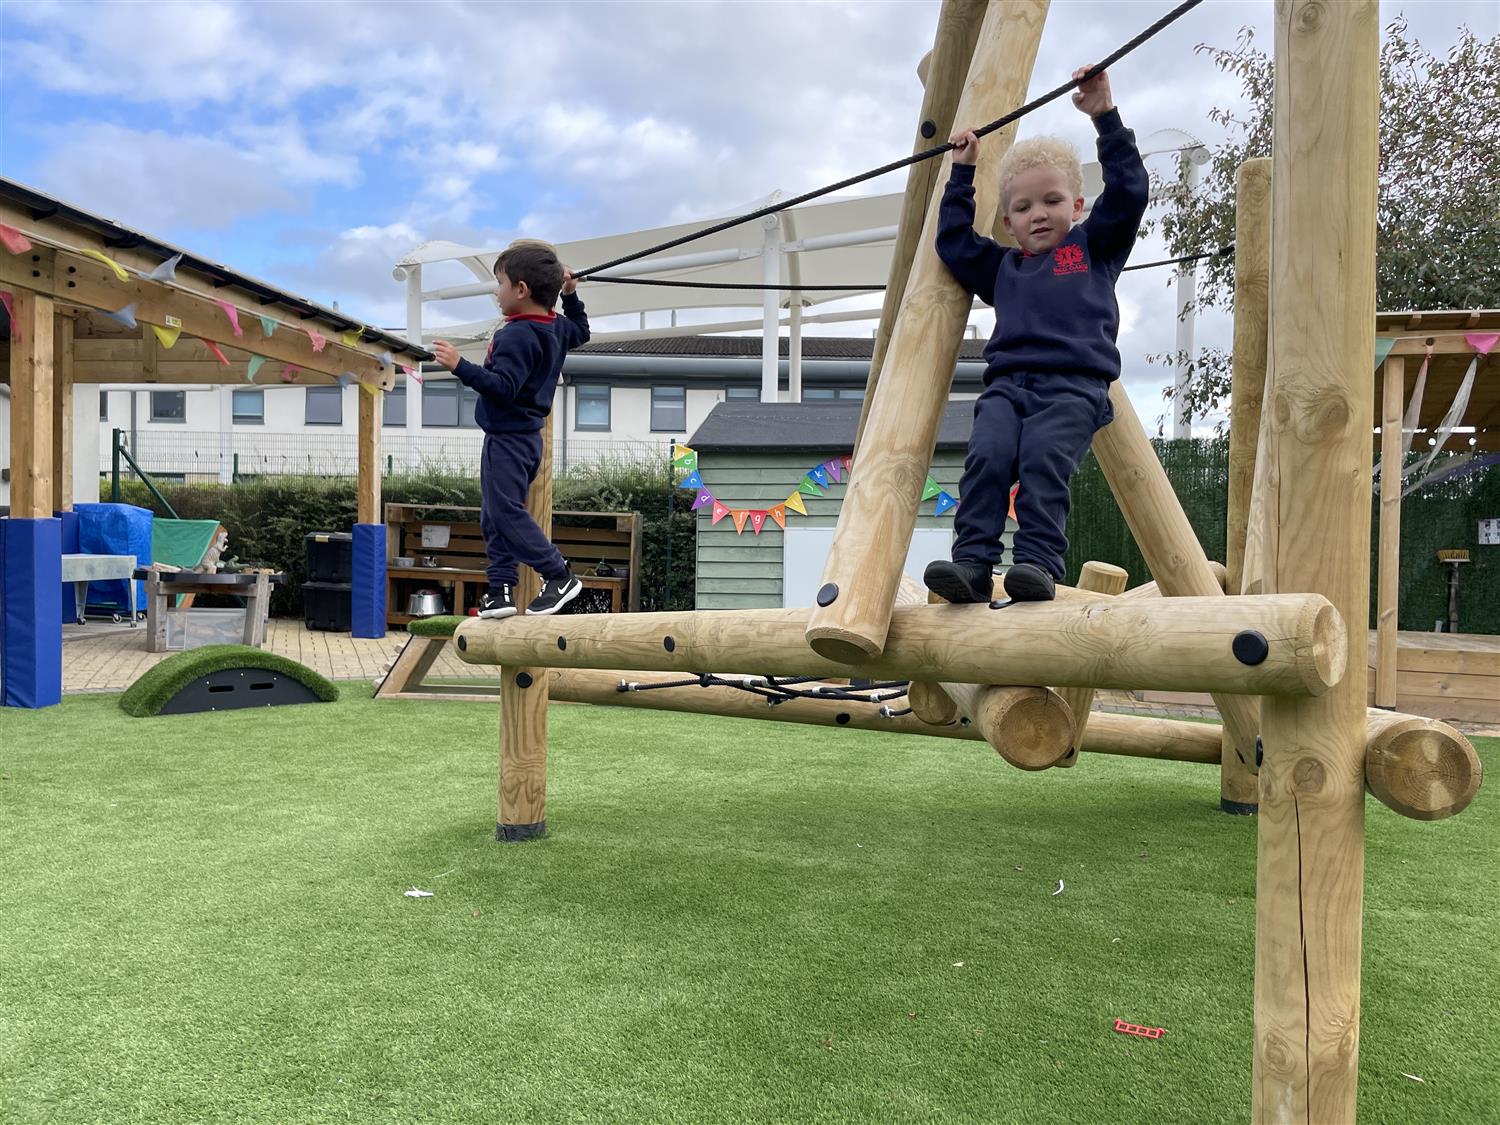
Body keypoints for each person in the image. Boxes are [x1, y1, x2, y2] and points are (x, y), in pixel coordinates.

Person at [923, 64, 1148, 605]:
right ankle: (973, 565)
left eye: (1051, 201)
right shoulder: (1005, 268)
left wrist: (1105, 117)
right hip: (1007, 387)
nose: (1038, 214)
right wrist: (962, 173)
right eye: (1022, 207)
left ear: (1077, 206)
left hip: (1073, 387)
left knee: (1045, 460)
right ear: (1007, 222)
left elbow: (1129, 192)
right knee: (987, 456)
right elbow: (953, 243)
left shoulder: (1090, 250)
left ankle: (1037, 565)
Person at [431, 242, 590, 618]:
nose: (495, 291)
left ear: (521, 289)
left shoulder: (516, 335)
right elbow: (581, 329)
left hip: (507, 438)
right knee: (494, 514)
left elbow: (503, 387)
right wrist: (572, 295)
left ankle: (558, 574)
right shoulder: (557, 328)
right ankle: (500, 591)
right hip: (527, 439)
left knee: (503, 512)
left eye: (499, 283)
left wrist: (460, 366)